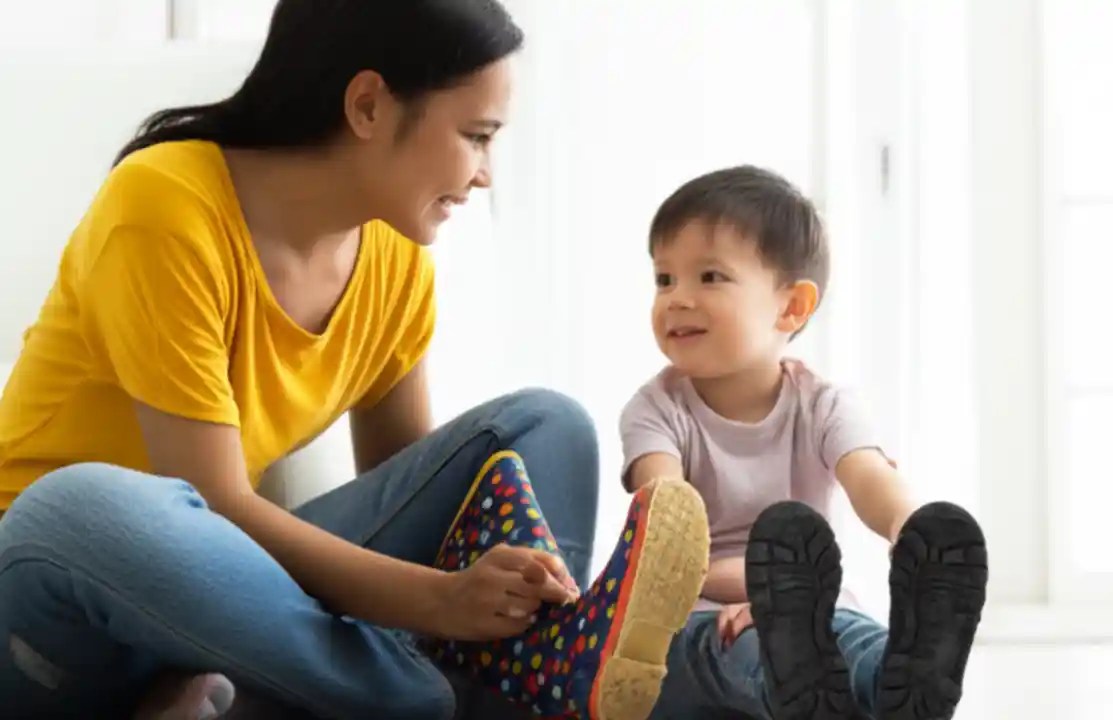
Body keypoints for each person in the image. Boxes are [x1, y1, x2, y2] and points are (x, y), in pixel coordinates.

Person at [0, 2, 708, 718]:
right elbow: (215, 502)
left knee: (544, 424)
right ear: (368, 105)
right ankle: (424, 698)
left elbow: (424, 496)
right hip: (57, 603)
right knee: (87, 504)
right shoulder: (164, 205)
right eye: (475, 136)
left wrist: (490, 584)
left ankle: (536, 669)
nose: (486, 174)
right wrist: (443, 600)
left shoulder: (396, 257)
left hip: (224, 626)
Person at [619, 165, 989, 719]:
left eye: (710, 277)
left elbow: (870, 478)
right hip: (692, 610)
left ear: (791, 307)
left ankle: (899, 688)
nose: (677, 299)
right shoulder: (655, 411)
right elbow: (665, 546)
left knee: (852, 634)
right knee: (735, 649)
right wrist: (762, 592)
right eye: (664, 279)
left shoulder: (823, 403)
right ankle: (818, 694)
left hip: (809, 603)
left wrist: (911, 533)